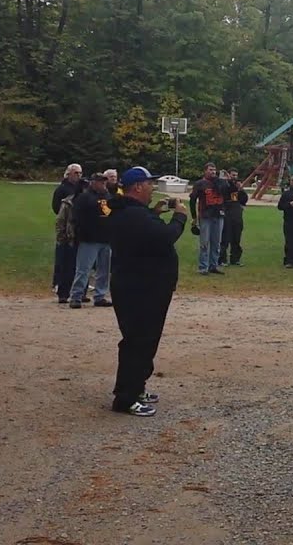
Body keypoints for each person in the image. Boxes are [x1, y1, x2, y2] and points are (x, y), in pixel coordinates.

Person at [106, 166, 189, 417]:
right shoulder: (134, 215)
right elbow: (165, 237)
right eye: (150, 184)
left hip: (138, 283)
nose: (153, 188)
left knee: (142, 340)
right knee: (138, 341)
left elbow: (144, 236)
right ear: (138, 187)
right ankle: (126, 398)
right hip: (142, 287)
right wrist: (180, 216)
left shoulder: (130, 212)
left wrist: (153, 213)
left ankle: (136, 386)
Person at [68, 172, 115, 309]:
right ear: (93, 182)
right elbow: (77, 217)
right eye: (101, 182)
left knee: (104, 270)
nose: (103, 184)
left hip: (105, 239)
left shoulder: (107, 196)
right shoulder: (84, 197)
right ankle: (76, 296)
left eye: (104, 182)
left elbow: (109, 213)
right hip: (89, 239)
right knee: (83, 269)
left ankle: (100, 295)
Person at [189, 162, 229, 275]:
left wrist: (227, 180)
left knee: (216, 242)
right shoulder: (200, 184)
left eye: (214, 170)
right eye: (210, 170)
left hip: (218, 214)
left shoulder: (220, 183)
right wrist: (194, 217)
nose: (213, 172)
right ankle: (203, 267)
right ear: (205, 171)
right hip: (205, 215)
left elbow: (229, 193)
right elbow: (192, 200)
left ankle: (213, 265)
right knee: (204, 242)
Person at [51, 164, 84, 294]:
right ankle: (57, 282)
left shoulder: (81, 189)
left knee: (76, 258)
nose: (78, 175)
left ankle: (76, 282)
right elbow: (56, 208)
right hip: (65, 226)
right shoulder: (61, 189)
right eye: (76, 173)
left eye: (80, 173)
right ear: (69, 173)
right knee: (62, 257)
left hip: (77, 228)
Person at [219, 170, 248, 267]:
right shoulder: (225, 185)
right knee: (225, 238)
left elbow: (244, 200)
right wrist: (230, 182)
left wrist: (241, 190)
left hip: (237, 215)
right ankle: (222, 259)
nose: (235, 177)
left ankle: (235, 259)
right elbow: (226, 191)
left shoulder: (237, 187)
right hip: (227, 214)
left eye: (236, 175)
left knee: (236, 238)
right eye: (233, 175)